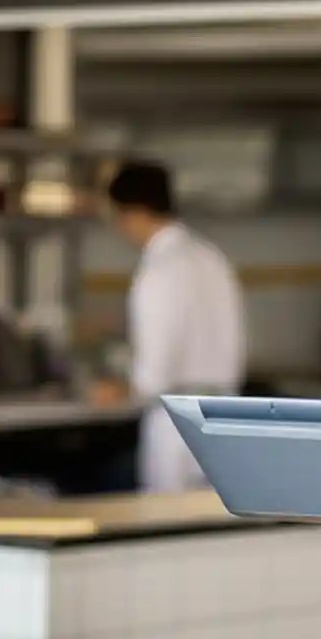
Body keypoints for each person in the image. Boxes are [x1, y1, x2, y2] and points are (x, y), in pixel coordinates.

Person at [94, 161, 246, 493]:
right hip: (224, 420)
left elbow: (153, 376)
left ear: (131, 212)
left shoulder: (158, 271)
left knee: (167, 530)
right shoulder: (211, 258)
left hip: (175, 428)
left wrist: (121, 388)